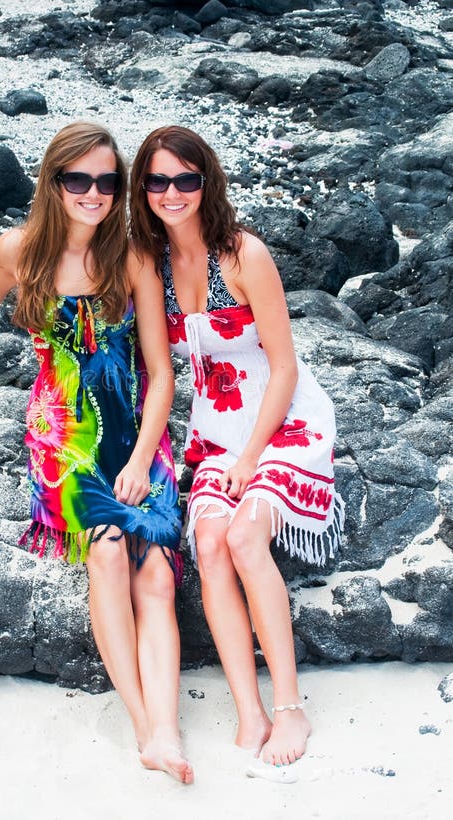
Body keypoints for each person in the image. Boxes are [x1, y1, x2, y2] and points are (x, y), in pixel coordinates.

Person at [0, 121, 193, 785]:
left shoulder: (134, 255)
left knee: (160, 575)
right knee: (109, 552)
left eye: (107, 181)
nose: (94, 193)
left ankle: (168, 727)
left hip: (134, 430)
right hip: (62, 432)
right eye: (77, 179)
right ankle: (145, 728)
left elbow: (162, 374)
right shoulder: (16, 252)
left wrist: (142, 460)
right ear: (52, 182)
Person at [130, 125, 344, 780]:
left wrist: (254, 454)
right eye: (159, 180)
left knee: (249, 535)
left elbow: (284, 366)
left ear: (207, 182)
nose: (172, 192)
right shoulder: (151, 264)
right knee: (211, 541)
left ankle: (290, 706)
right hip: (215, 430)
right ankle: (248, 710)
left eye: (186, 179)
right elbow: (162, 373)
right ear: (144, 187)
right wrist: (142, 459)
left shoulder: (242, 254)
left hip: (285, 419)